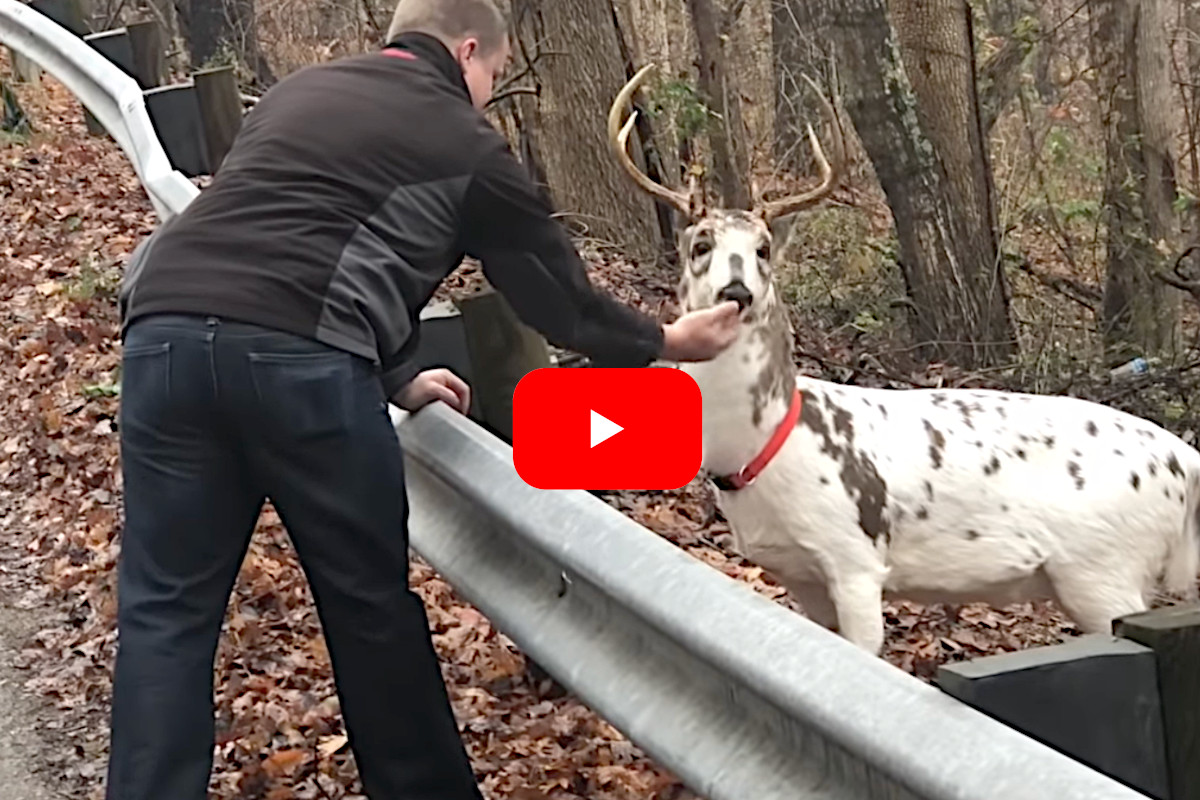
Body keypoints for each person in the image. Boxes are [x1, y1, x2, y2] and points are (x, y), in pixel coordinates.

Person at [105, 0, 740, 797]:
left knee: (165, 616)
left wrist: (395, 370)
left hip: (161, 340)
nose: (488, 92)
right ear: (468, 51)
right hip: (300, 367)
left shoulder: (303, 92)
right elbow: (558, 302)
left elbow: (294, 231)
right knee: (370, 612)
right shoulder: (466, 143)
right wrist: (670, 341)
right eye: (495, 75)